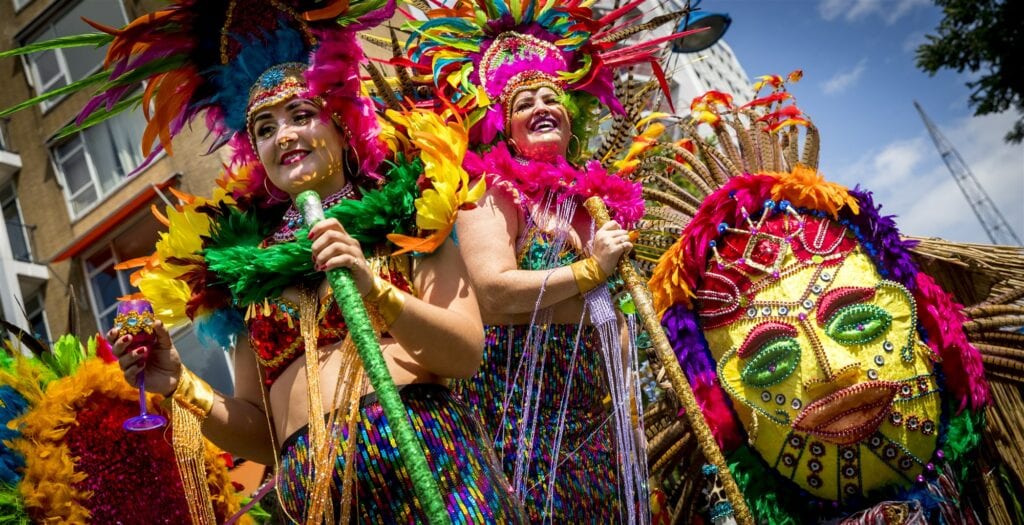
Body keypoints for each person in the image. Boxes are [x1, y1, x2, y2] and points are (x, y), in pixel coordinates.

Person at [19, 1, 529, 522]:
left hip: (430, 461)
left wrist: (375, 289)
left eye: (300, 115)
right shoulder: (244, 277)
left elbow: (465, 353)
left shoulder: (410, 217)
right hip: (314, 490)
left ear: (341, 124)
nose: (282, 134)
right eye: (263, 128)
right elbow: (261, 435)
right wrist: (179, 383)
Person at [406, 1, 687, 520]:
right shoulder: (492, 190)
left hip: (598, 410)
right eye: (523, 102)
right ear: (504, 127)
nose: (542, 106)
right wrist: (589, 270)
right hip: (521, 410)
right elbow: (493, 288)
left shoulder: (594, 208)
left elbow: (614, 310)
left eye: (551, 97)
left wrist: (624, 382)